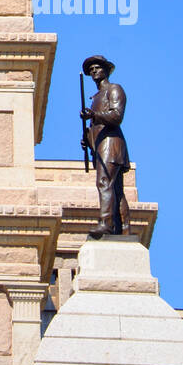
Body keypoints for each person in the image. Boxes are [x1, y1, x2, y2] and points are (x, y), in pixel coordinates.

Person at [81, 54, 131, 238]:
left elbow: (117, 116)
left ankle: (105, 224)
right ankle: (124, 230)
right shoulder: (96, 97)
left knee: (104, 183)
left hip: (111, 144)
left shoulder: (114, 89)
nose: (94, 70)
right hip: (101, 146)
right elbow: (97, 125)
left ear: (106, 69)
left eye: (97, 67)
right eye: (91, 69)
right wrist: (88, 137)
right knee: (116, 190)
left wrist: (94, 116)